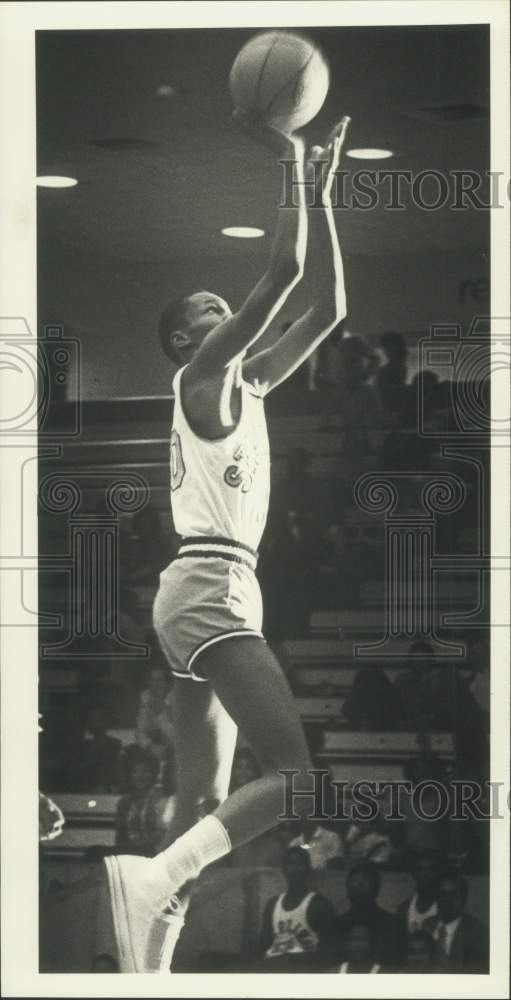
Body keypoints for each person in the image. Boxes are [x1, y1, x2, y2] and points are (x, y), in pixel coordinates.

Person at [103, 110, 351, 972]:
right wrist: (288, 160)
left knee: (202, 796)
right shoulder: (202, 375)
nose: (230, 317)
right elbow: (280, 274)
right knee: (298, 777)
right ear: (185, 339)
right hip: (210, 582)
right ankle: (151, 881)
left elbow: (324, 307)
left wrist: (318, 200)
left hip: (204, 586)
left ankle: (150, 952)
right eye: (214, 311)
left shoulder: (246, 383)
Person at [260, 846, 336, 972]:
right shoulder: (272, 904)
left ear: (308, 870)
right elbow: (263, 946)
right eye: (291, 864)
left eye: (300, 864)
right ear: (284, 869)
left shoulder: (319, 904)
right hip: (275, 971)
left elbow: (328, 950)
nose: (295, 869)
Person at [334, 864, 399, 970]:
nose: (359, 886)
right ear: (347, 888)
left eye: (366, 881)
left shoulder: (390, 924)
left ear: (376, 888)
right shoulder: (338, 925)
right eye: (355, 881)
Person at [422, 871, 489, 973]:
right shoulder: (427, 925)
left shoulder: (477, 933)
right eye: (442, 894)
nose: (446, 899)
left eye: (452, 895)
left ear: (463, 899)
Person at [394, 852, 440, 961]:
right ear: (414, 874)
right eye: (421, 869)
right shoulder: (404, 909)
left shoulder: (444, 908)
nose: (426, 874)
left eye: (431, 869)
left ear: (438, 874)